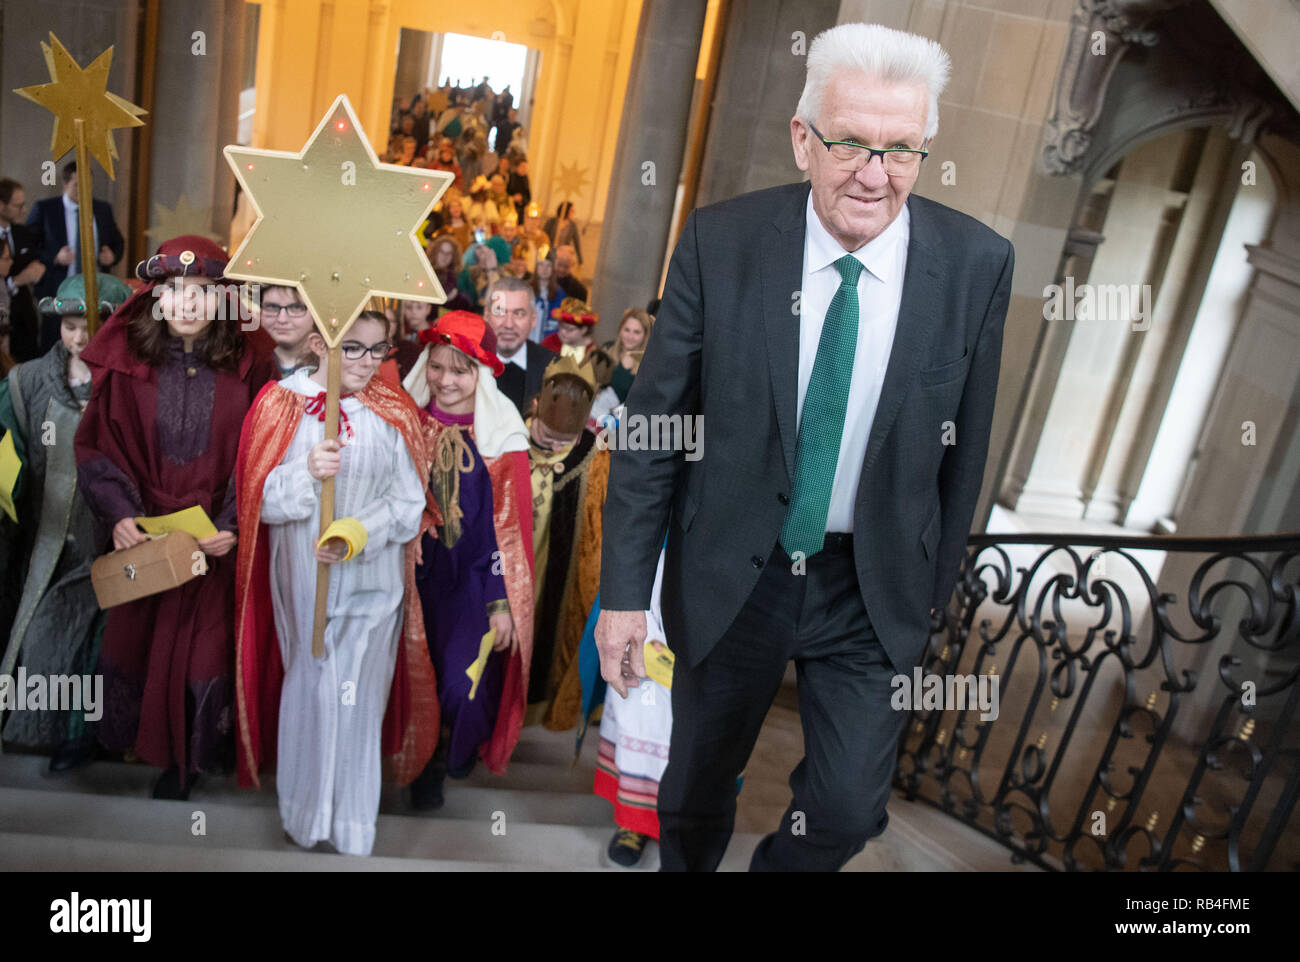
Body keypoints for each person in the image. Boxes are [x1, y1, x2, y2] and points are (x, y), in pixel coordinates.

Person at [595, 22, 1014, 872]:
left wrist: (933, 594)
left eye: (901, 152)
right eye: (852, 142)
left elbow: (964, 450)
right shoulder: (723, 243)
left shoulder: (977, 263)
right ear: (801, 139)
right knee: (696, 785)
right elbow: (650, 436)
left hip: (871, 585)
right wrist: (626, 597)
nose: (874, 174)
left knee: (849, 806)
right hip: (734, 574)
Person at [74, 235, 278, 800]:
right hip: (146, 536)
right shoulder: (127, 367)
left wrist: (234, 522)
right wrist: (118, 515)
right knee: (135, 643)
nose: (186, 303)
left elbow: (263, 453)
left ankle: (185, 763)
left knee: (202, 651)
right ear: (155, 297)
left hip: (212, 539)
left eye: (200, 291)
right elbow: (98, 446)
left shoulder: (249, 367)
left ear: (222, 300)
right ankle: (129, 744)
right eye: (173, 290)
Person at [233, 310, 433, 855]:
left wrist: (358, 531)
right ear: (320, 344)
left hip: (373, 581)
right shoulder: (281, 404)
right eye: (356, 349)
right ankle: (305, 813)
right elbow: (257, 502)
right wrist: (305, 473)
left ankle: (350, 824)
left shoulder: (393, 411)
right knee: (315, 684)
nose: (369, 363)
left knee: (358, 697)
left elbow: (410, 504)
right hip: (303, 577)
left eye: (379, 350)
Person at [401, 311, 535, 809]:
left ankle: (452, 744)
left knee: (462, 683)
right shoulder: (406, 419)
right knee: (413, 674)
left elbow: (513, 533)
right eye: (437, 367)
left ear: (479, 374)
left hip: (474, 582)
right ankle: (423, 764)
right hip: (411, 576)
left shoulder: (503, 435)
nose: (446, 380)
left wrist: (501, 601)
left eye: (460, 371)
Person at [0, 273, 132, 769]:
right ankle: (39, 729)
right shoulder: (27, 381)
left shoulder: (130, 385)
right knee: (41, 633)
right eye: (72, 325)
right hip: (47, 538)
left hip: (113, 536)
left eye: (93, 326)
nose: (81, 337)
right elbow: (7, 452)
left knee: (104, 642)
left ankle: (84, 739)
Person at [525, 355, 608, 728]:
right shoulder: (509, 439)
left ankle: (535, 709)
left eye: (565, 438)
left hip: (553, 577)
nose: (556, 441)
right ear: (537, 404)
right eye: (550, 435)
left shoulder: (597, 457)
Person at [27, 162, 125, 314]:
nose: (84, 189)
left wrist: (112, 256)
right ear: (65, 184)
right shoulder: (45, 209)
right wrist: (55, 257)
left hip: (96, 289)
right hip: (57, 288)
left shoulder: (103, 209)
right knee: (55, 334)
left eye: (88, 184)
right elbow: (28, 246)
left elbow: (118, 243)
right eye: (77, 185)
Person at [483, 276, 558, 415]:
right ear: (486, 316)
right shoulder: (468, 360)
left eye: (519, 313)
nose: (509, 324)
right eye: (500, 312)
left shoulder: (554, 369)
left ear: (533, 319)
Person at [0, 178, 45, 362]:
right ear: (1, 205)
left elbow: (37, 269)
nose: (24, 210)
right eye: (18, 206)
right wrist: (15, 282)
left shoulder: (24, 233)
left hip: (26, 323)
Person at [592, 308, 654, 428]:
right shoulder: (607, 349)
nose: (630, 336)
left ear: (646, 335)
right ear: (620, 329)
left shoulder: (648, 363)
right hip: (593, 418)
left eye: (637, 332)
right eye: (627, 330)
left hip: (624, 426)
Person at [259, 285, 314, 379]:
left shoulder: (334, 366)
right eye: (272, 307)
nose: (282, 319)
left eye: (296, 308)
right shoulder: (242, 362)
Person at [531, 257, 564, 343]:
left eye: (548, 266)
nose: (544, 269)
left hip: (548, 341)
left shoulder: (560, 294)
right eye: (541, 265)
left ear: (553, 269)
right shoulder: (525, 289)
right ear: (536, 268)